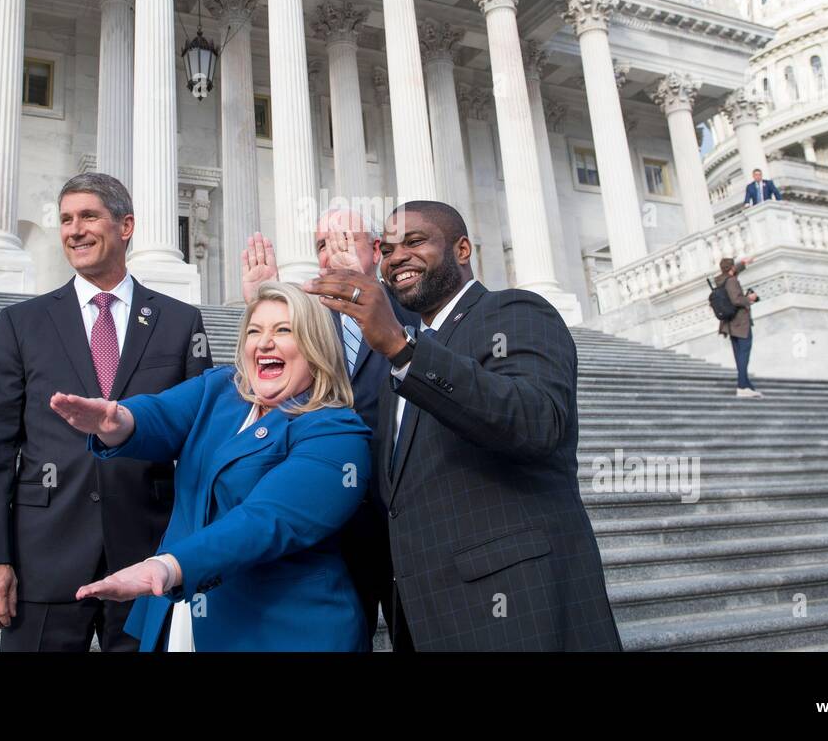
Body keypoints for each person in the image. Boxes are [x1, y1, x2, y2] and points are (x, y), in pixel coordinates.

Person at [305, 201, 622, 651]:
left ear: (462, 248)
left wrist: (400, 348)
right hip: (428, 615)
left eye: (415, 242)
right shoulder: (410, 359)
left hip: (518, 610)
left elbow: (535, 421)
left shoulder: (514, 311)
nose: (398, 257)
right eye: (390, 249)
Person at [50, 281, 372, 651]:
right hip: (184, 618)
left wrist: (168, 566)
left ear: (315, 346)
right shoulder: (222, 389)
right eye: (255, 331)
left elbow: (264, 521)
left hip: (278, 630)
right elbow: (161, 413)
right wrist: (119, 421)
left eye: (283, 330)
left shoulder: (337, 432)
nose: (264, 343)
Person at [0, 172, 212, 651]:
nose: (74, 229)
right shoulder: (21, 323)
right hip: (42, 558)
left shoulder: (181, 323)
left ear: (126, 226)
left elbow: (198, 440)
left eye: (88, 216)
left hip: (149, 558)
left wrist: (197, 552)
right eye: (65, 220)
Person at [239, 209, 418, 643]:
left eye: (342, 241)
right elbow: (267, 384)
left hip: (404, 521)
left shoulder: (414, 314)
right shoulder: (308, 326)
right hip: (332, 523)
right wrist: (264, 301)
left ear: (376, 251)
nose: (330, 255)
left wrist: (369, 298)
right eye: (322, 246)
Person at [716, 256, 763, 398]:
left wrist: (744, 263)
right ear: (731, 268)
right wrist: (750, 298)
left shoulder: (721, 280)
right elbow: (736, 300)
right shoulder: (731, 281)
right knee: (744, 354)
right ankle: (742, 386)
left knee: (739, 355)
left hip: (730, 324)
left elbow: (734, 272)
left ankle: (746, 384)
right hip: (740, 323)